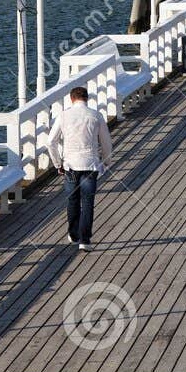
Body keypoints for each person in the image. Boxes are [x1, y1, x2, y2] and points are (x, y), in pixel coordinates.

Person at [50, 86, 112, 251]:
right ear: (86, 98)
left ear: (72, 99)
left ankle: (74, 234)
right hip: (90, 164)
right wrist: (106, 162)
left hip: (70, 164)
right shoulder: (96, 115)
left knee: (73, 200)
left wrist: (57, 164)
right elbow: (106, 142)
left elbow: (50, 142)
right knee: (87, 202)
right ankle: (85, 240)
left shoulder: (63, 116)